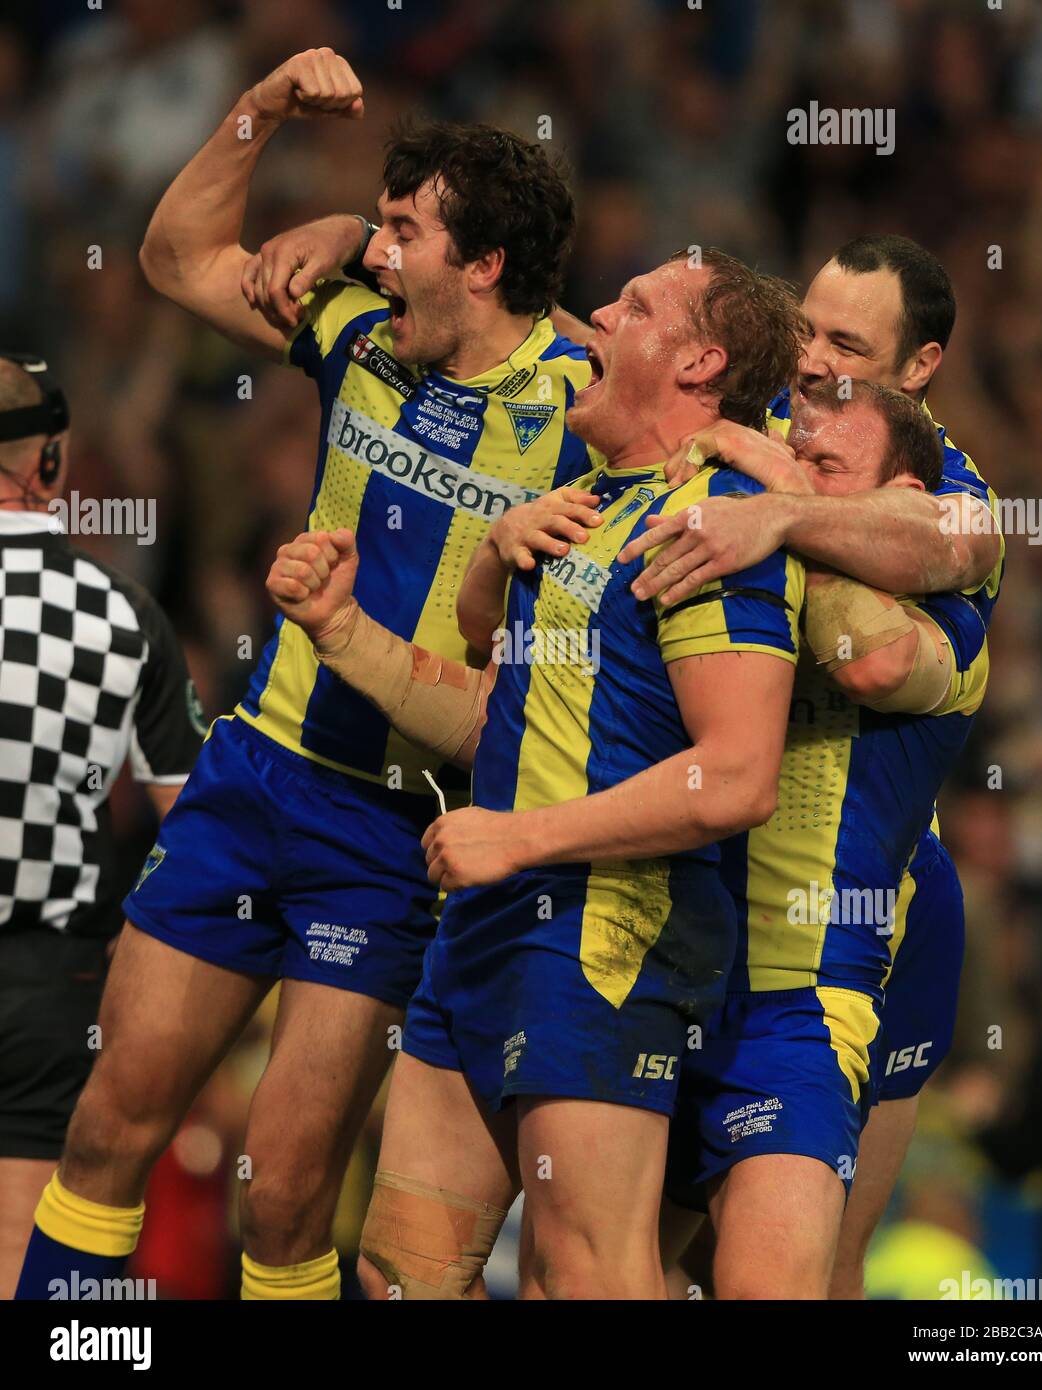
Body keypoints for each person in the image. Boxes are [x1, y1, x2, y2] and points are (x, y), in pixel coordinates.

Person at [16, 48, 598, 1302]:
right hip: (253, 777)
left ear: (486, 265)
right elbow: (176, 259)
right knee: (111, 1128)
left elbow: (701, 395)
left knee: (279, 1199)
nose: (378, 254)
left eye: (405, 231)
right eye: (378, 227)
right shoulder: (358, 335)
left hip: (394, 829)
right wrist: (262, 111)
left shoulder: (577, 402)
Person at [269, 250, 807, 1299]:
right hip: (486, 920)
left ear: (701, 362)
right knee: (399, 1274)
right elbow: (498, 708)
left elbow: (738, 776)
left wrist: (518, 837)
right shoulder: (589, 499)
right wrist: (353, 623)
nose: (599, 310)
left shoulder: (712, 523)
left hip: (603, 930)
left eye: (636, 305)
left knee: (586, 1272)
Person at [624, 235, 1003, 1297]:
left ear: (917, 368)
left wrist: (784, 505)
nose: (808, 360)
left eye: (846, 344)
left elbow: (946, 551)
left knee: (816, 1267)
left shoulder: (950, 483)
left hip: (865, 913)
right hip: (697, 899)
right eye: (804, 329)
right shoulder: (740, 418)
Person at [0, 353, 202, 1299]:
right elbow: (193, 829)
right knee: (17, 1255)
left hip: (56, 967)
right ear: (53, 463)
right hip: (52, 978)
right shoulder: (123, 615)